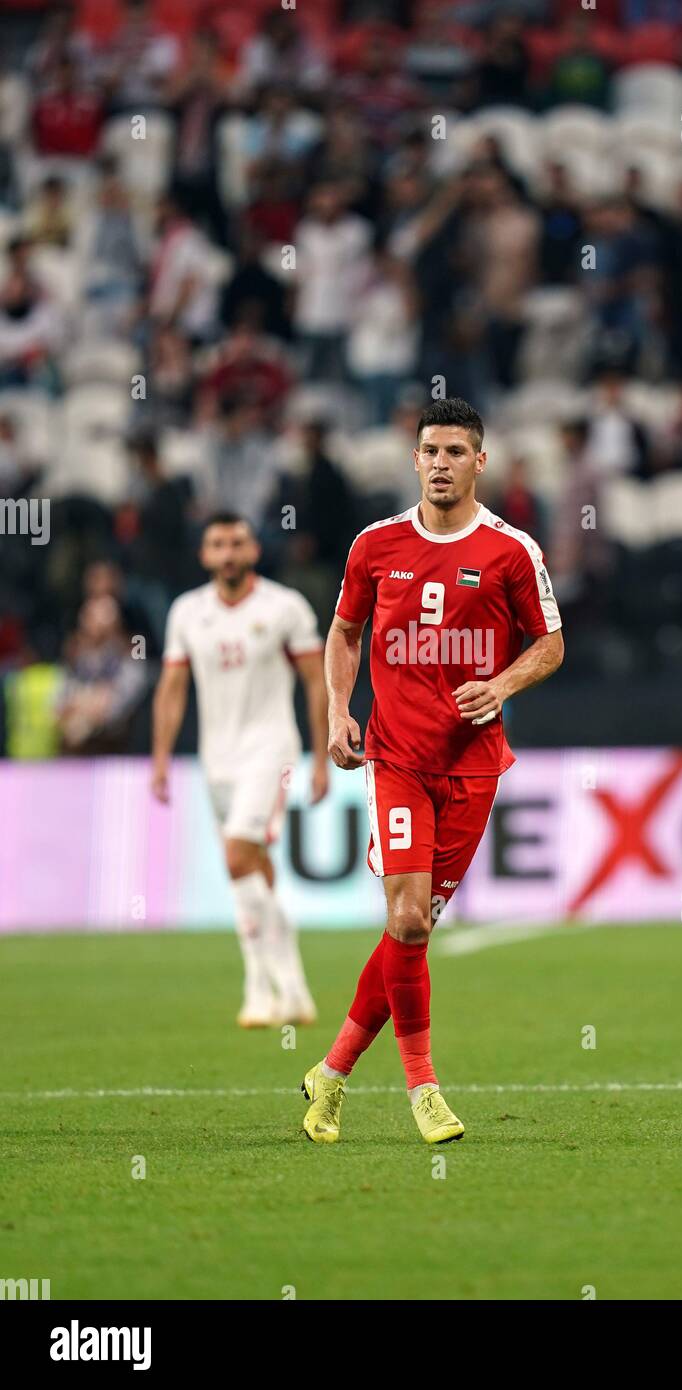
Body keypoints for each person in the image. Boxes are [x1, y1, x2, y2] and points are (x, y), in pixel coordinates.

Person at [301, 397, 564, 1145]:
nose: (442, 463)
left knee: (405, 932)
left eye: (457, 451)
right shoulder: (375, 546)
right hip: (397, 760)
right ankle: (424, 1090)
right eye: (431, 451)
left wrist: (503, 684)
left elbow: (551, 644)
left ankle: (330, 1074)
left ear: (481, 462)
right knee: (411, 919)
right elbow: (344, 630)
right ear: (414, 460)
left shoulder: (514, 551)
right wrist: (336, 712)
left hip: (475, 768)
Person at [151, 514, 329, 1028]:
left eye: (236, 542)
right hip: (217, 759)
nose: (227, 553)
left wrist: (321, 756)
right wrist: (161, 758)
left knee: (236, 856)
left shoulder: (283, 607)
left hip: (269, 751)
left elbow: (317, 682)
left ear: (253, 550)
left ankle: (259, 987)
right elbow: (172, 688)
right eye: (217, 544)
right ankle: (291, 990)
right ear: (205, 555)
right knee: (251, 867)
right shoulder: (187, 612)